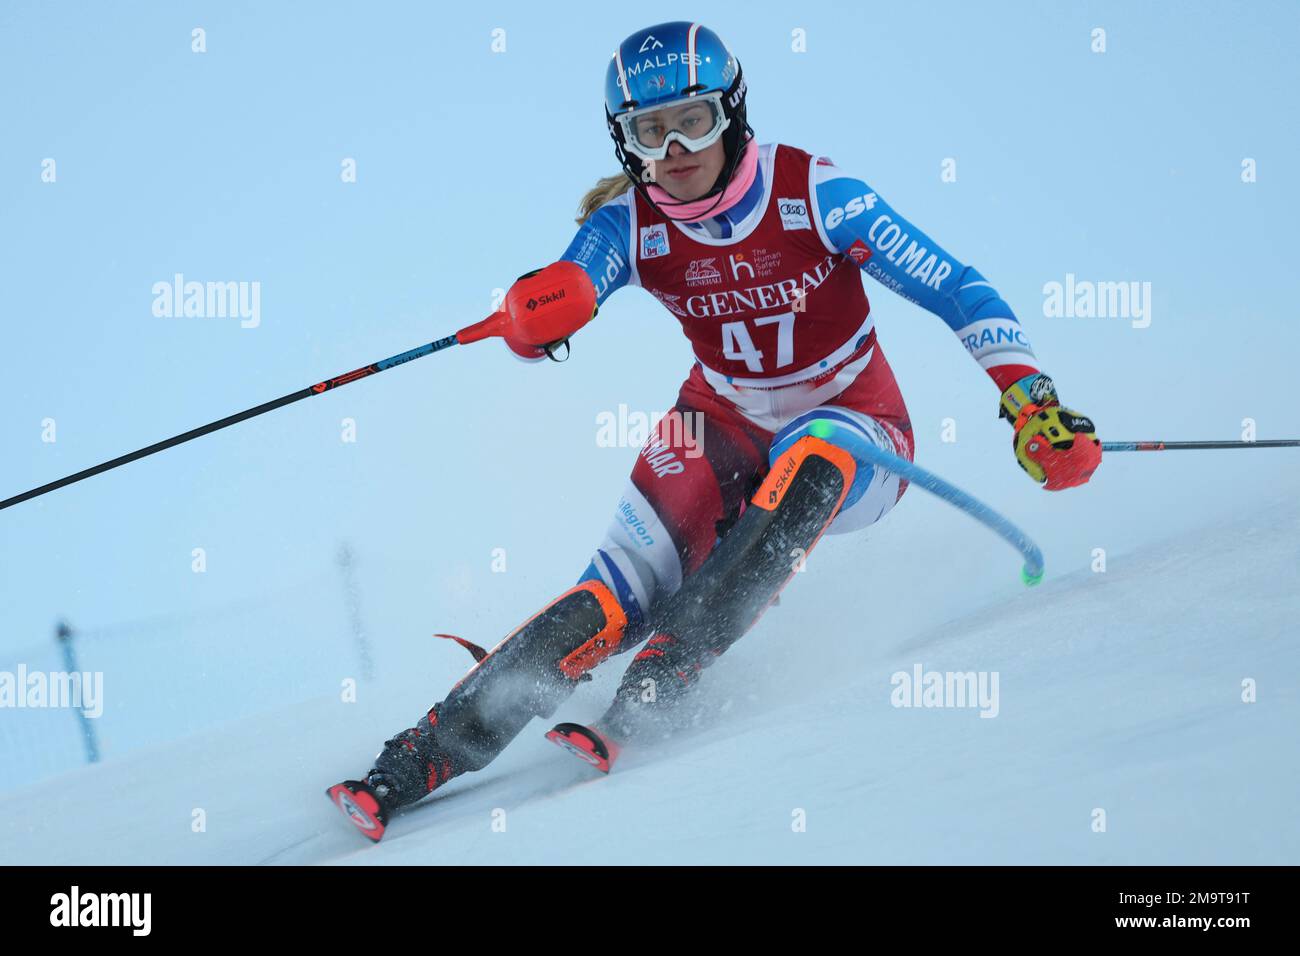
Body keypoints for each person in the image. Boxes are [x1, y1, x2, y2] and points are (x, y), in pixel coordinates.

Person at [328, 20, 1102, 840]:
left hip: (860, 427)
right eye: (647, 132)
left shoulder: (813, 192)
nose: (673, 148)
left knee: (812, 454)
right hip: (721, 418)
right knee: (618, 584)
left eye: (692, 120)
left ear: (732, 113)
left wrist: (1032, 399)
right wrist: (536, 314)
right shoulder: (628, 223)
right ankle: (417, 761)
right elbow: (568, 291)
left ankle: (663, 678)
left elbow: (957, 287)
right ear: (623, 143)